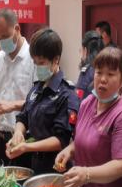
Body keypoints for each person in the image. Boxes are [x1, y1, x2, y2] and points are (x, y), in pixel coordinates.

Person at [56, 47, 122, 187]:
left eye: (110, 75)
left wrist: (86, 174)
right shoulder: (88, 103)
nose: (102, 79)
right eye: (99, 72)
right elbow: (83, 138)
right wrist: (69, 150)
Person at [7, 28, 79, 174]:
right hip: (34, 164)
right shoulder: (36, 89)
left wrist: (27, 147)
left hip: (55, 168)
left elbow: (61, 140)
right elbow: (23, 117)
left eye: (42, 62)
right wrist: (18, 133)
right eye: (35, 62)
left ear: (56, 60)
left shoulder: (67, 94)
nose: (38, 67)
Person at [0, 8, 35, 168]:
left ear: (17, 29)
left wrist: (12, 105)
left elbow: (40, 101)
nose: (1, 42)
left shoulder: (34, 59)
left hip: (23, 139)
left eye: (5, 37)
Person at [75, 31, 104, 101]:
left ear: (85, 50)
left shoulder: (86, 71)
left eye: (81, 50)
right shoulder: (104, 67)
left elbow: (79, 97)